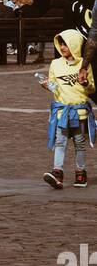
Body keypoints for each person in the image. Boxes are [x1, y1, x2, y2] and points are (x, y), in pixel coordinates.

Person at [40, 29, 95, 189]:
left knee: (79, 143)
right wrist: (47, 86)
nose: (62, 47)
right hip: (61, 113)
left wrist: (85, 83)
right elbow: (54, 87)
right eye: (61, 43)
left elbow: (91, 89)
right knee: (60, 142)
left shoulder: (84, 65)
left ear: (75, 45)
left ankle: (80, 172)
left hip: (79, 112)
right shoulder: (55, 64)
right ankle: (57, 172)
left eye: (66, 44)